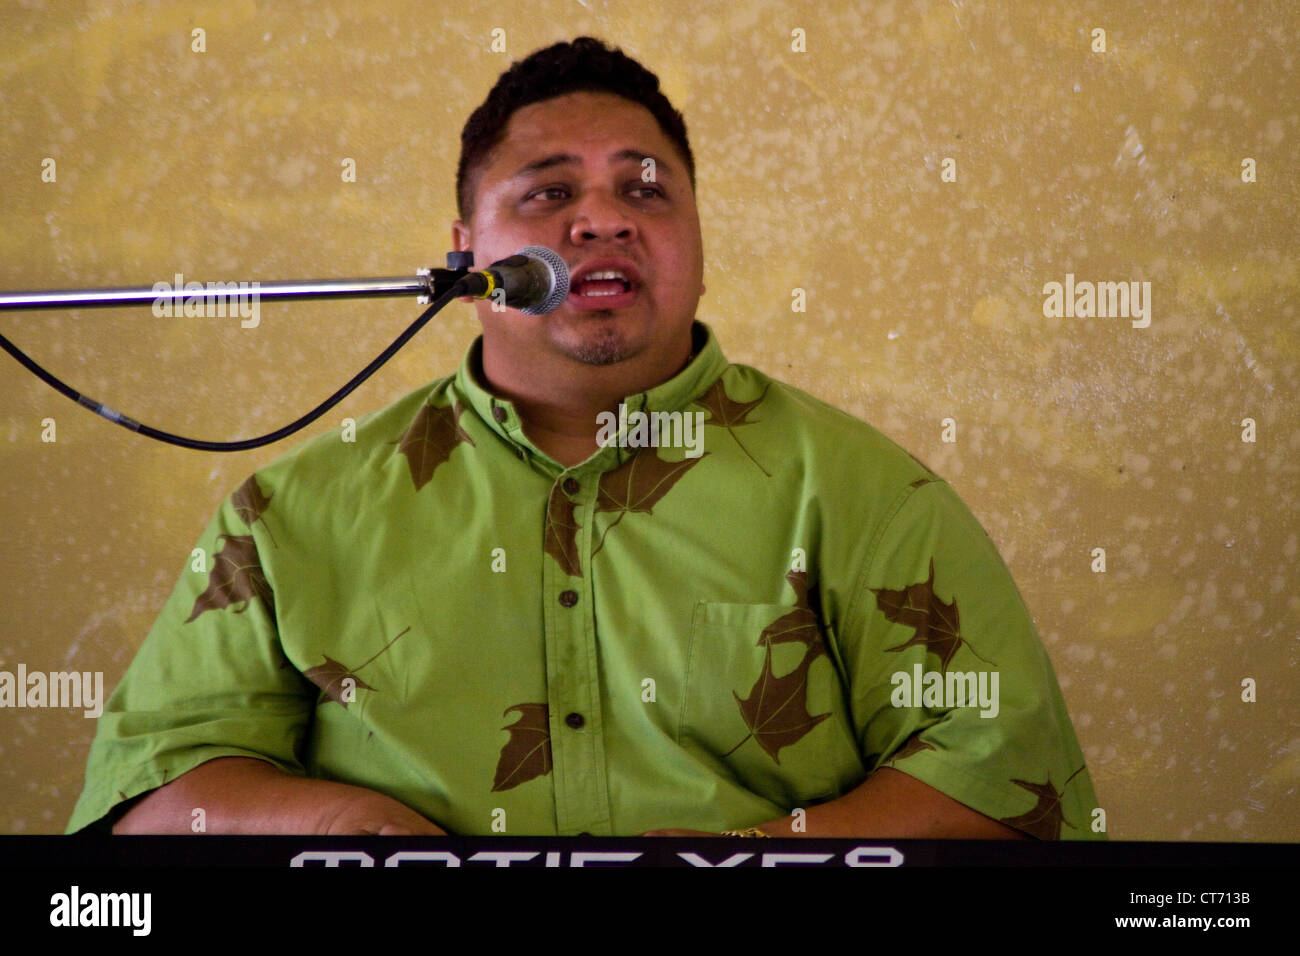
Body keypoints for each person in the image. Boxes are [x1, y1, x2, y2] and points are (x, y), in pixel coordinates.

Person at [67, 36, 1102, 840]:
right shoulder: (292, 512)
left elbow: (1005, 788)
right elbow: (149, 797)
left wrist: (748, 856)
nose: (601, 217)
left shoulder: (862, 491)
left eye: (644, 188)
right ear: (467, 251)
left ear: (696, 242)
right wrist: (344, 823)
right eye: (550, 191)